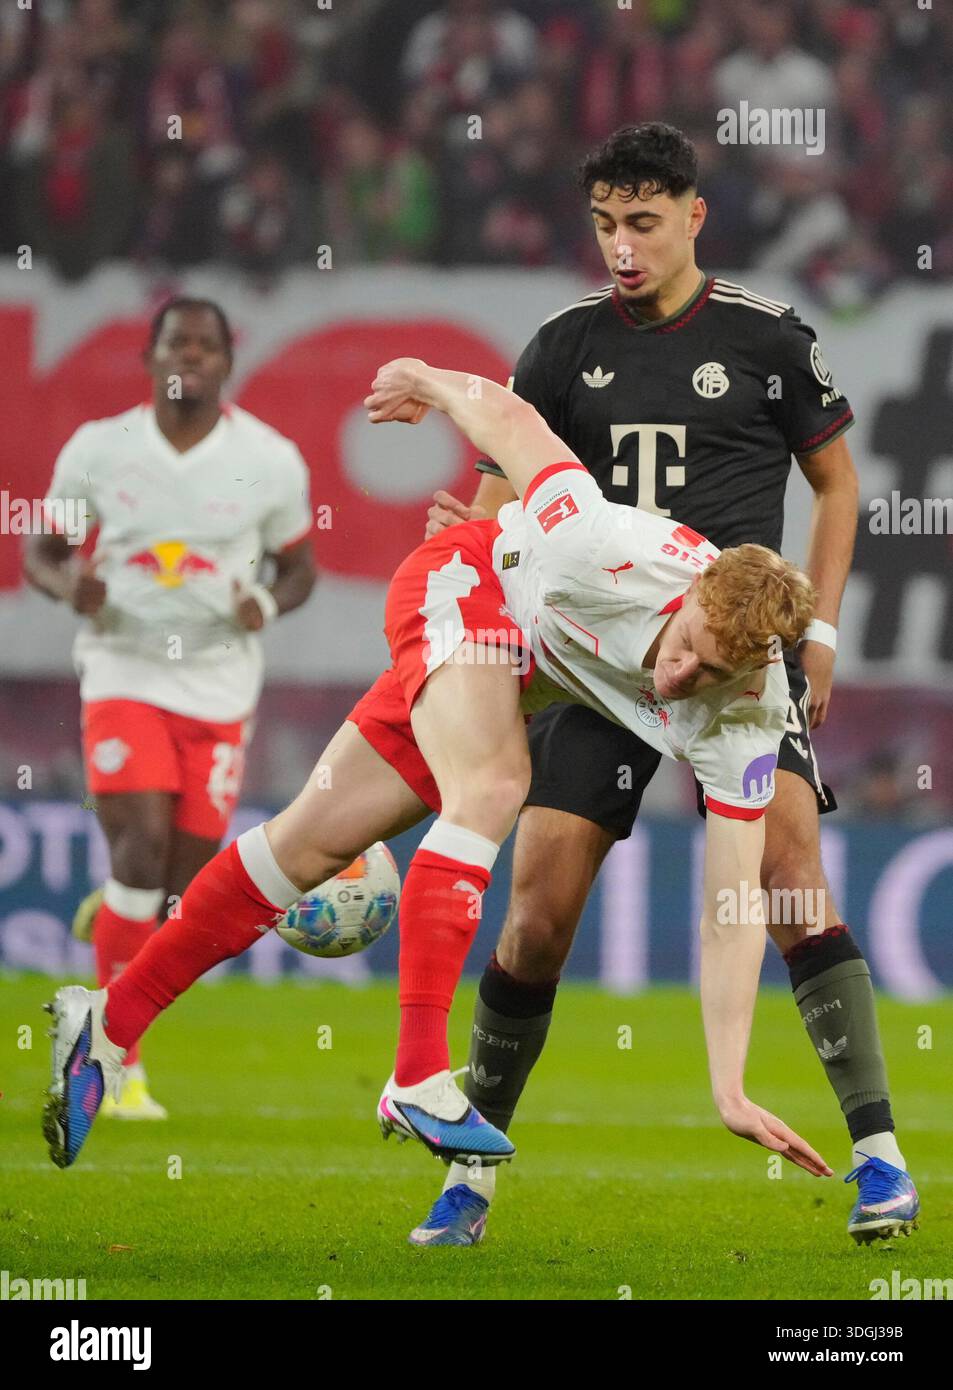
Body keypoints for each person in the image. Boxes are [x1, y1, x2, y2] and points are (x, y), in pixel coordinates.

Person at [44, 356, 832, 1201]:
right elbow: (519, 427)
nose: (678, 677)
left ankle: (108, 1027)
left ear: (751, 670)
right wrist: (428, 378)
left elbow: (731, 906)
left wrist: (729, 1084)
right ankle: (418, 1072)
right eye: (683, 644)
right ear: (689, 591)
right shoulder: (605, 544)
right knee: (494, 783)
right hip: (464, 581)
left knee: (299, 852)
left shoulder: (750, 713)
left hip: (503, 668)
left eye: (707, 672)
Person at [418, 123, 917, 1248]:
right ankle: (470, 1173)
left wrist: (819, 634)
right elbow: (506, 483)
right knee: (538, 908)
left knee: (786, 880)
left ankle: (879, 1158)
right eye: (603, 224)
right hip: (606, 662)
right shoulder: (559, 344)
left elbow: (835, 487)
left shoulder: (768, 338)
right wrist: (479, 532)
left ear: (695, 216)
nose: (620, 247)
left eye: (642, 222)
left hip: (728, 659)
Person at [27, 297, 315, 1118]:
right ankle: (117, 1068)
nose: (190, 355)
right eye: (175, 342)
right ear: (149, 358)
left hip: (220, 684)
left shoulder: (270, 459)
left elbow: (300, 568)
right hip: (124, 668)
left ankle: (114, 915)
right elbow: (42, 550)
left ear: (229, 360)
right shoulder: (98, 450)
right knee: (142, 847)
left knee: (179, 895)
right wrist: (65, 584)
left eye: (206, 344)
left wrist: (265, 597)